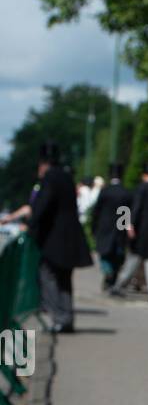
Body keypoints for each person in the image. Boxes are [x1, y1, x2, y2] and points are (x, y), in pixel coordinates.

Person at [27, 141, 93, 333]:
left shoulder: (49, 178)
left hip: (55, 236)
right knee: (65, 278)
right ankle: (67, 317)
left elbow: (43, 205)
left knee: (47, 274)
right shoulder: (66, 176)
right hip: (71, 235)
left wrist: (31, 225)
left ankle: (58, 317)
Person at [114, 161, 148, 302]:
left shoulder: (141, 189)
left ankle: (119, 285)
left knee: (133, 259)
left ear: (144, 175)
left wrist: (130, 225)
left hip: (142, 230)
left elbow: (136, 208)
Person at [91, 163, 132, 292]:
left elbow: (96, 212)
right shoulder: (125, 193)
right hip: (119, 227)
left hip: (104, 227)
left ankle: (107, 271)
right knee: (117, 255)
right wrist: (125, 227)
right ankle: (112, 276)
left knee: (104, 253)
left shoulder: (105, 192)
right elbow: (126, 211)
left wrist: (94, 227)